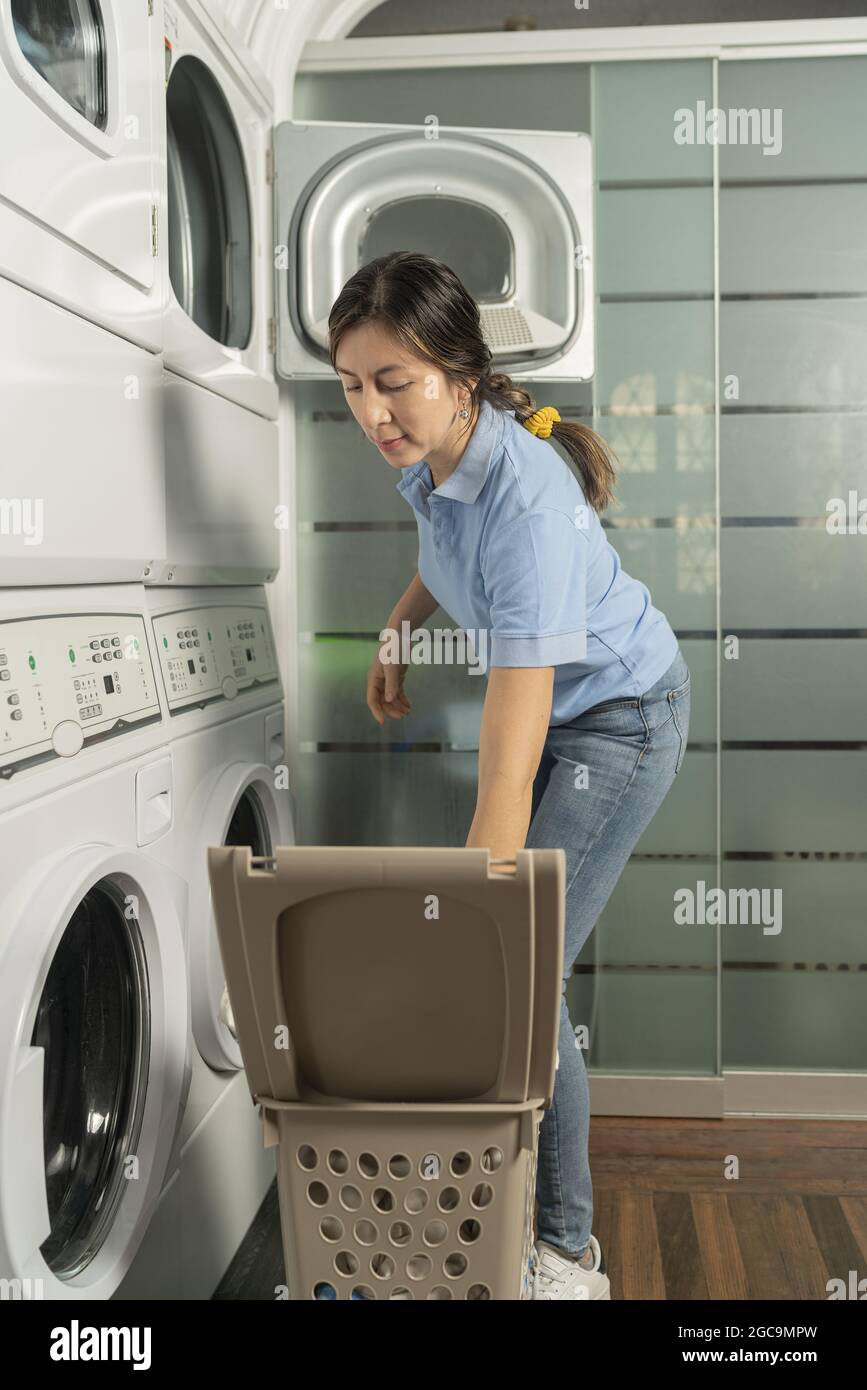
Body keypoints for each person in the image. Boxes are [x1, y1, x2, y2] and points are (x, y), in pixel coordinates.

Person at [328, 251, 691, 1301]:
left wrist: (479, 910)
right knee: (515, 973)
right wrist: (399, 628)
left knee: (517, 976)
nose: (373, 411)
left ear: (459, 373)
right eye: (353, 385)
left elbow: (516, 725)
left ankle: (569, 1257)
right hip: (566, 715)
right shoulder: (435, 455)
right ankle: (493, 1210)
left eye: (393, 381)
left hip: (619, 720)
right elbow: (448, 552)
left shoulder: (529, 497)